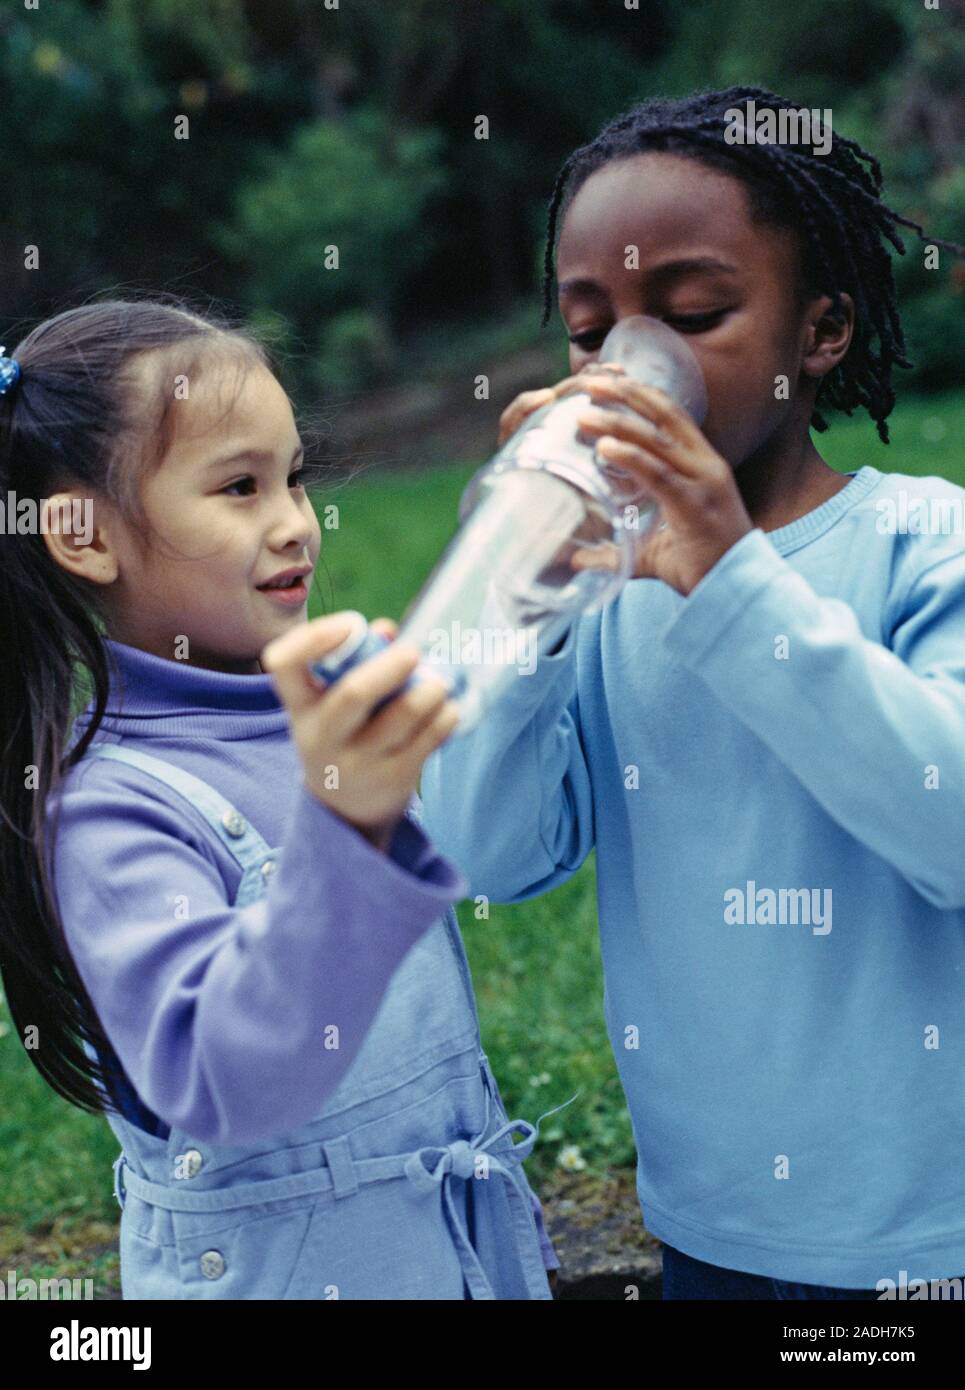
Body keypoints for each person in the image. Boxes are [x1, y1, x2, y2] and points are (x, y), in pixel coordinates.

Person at [420, 87, 965, 1300]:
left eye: (693, 314)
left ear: (819, 332)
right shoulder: (604, 597)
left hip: (925, 1248)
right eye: (586, 331)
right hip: (706, 1232)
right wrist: (521, 608)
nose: (627, 366)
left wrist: (727, 577)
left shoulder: (926, 543)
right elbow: (487, 853)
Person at [0, 298, 558, 1300]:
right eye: (239, 487)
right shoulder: (110, 810)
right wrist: (346, 817)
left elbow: (494, 837)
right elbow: (226, 1076)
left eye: (293, 477)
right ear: (83, 536)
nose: (295, 521)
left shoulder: (314, 713)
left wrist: (529, 575)